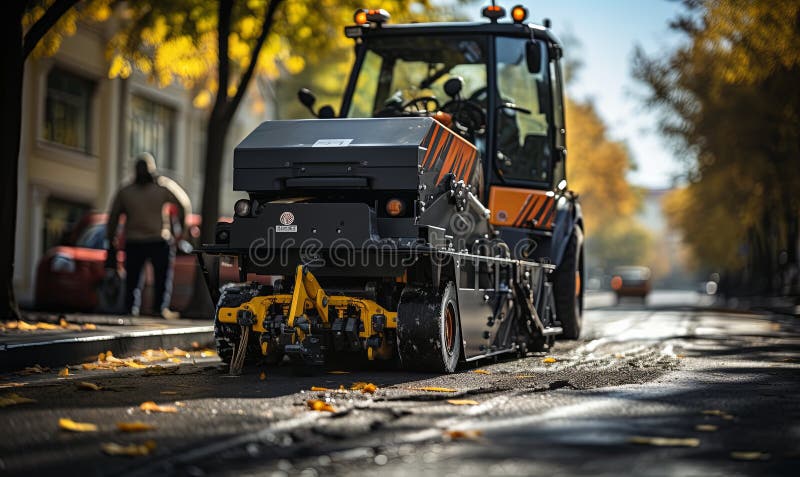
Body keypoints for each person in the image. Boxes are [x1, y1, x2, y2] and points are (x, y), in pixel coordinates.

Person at [105, 153, 191, 319]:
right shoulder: (161, 187)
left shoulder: (126, 191)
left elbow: (113, 217)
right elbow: (183, 204)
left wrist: (111, 239)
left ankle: (131, 309)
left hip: (138, 240)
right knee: (158, 278)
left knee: (134, 279)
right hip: (155, 239)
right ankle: (158, 309)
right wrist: (182, 231)